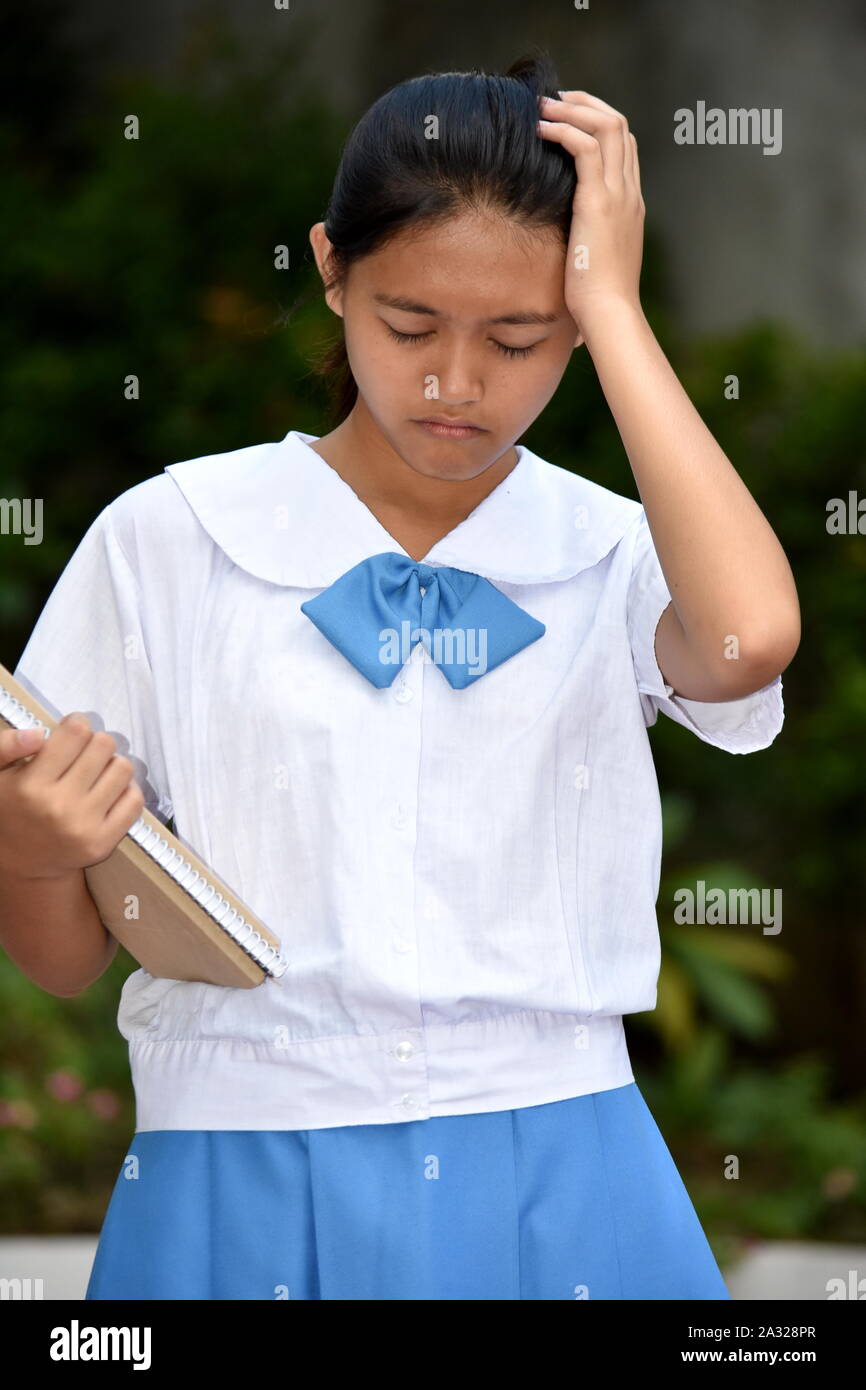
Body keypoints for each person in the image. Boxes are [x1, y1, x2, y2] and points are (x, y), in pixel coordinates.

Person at [0, 52, 799, 1300]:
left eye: (519, 337)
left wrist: (617, 309)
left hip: (560, 1164)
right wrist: (35, 847)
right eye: (409, 325)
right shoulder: (172, 538)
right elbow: (60, 960)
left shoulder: (608, 553)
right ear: (330, 269)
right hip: (237, 1162)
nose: (453, 383)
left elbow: (748, 640)